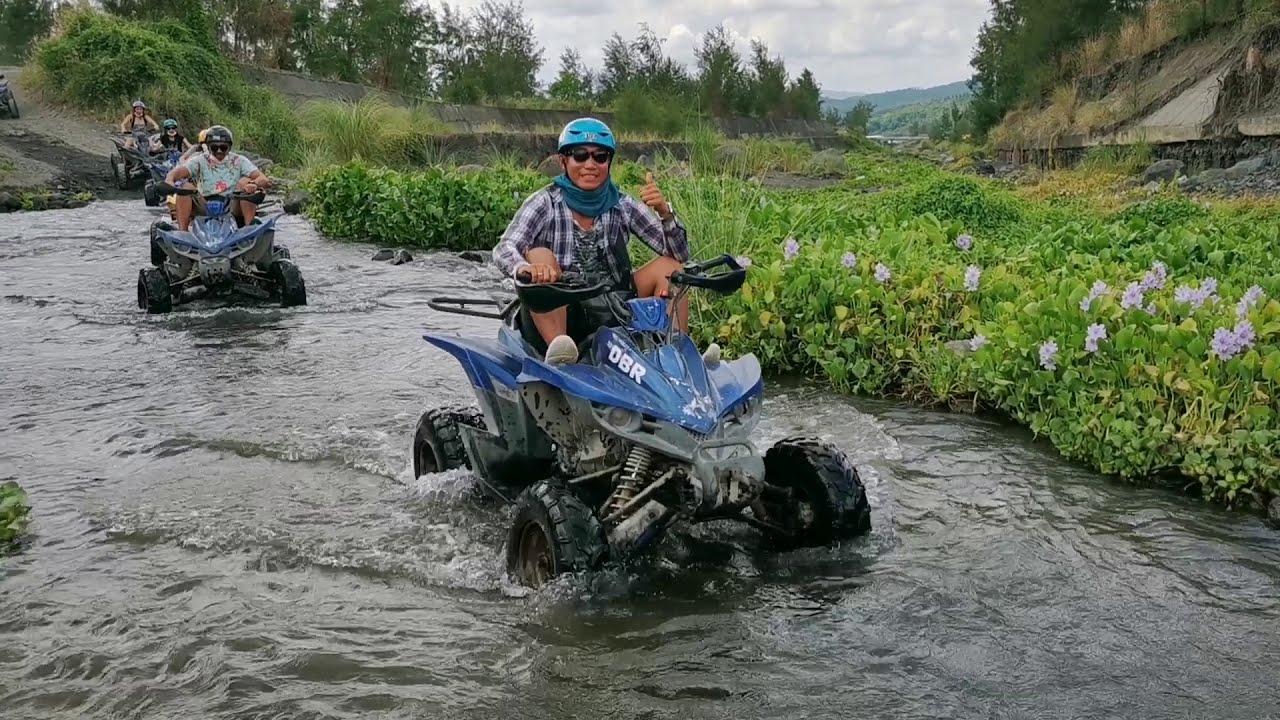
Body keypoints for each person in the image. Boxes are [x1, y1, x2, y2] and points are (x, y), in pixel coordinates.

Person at [492, 117, 721, 366]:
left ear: (608, 162)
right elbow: (504, 248)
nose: (590, 164)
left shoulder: (622, 204)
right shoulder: (544, 202)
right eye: (580, 155)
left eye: (600, 157)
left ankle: (676, 356)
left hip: (613, 302)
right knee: (538, 254)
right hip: (564, 307)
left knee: (671, 267)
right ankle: (562, 355)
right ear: (563, 161)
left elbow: (680, 254)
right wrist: (525, 268)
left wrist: (666, 214)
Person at [163, 124, 272, 231]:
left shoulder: (239, 160)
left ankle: (249, 229)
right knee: (185, 187)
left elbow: (262, 178)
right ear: (209, 147)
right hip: (204, 203)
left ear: (229, 147)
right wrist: (169, 181)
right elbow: (177, 172)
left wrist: (254, 184)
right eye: (215, 147)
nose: (219, 151)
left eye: (223, 147)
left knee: (246, 183)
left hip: (232, 202)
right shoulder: (199, 160)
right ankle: (183, 232)